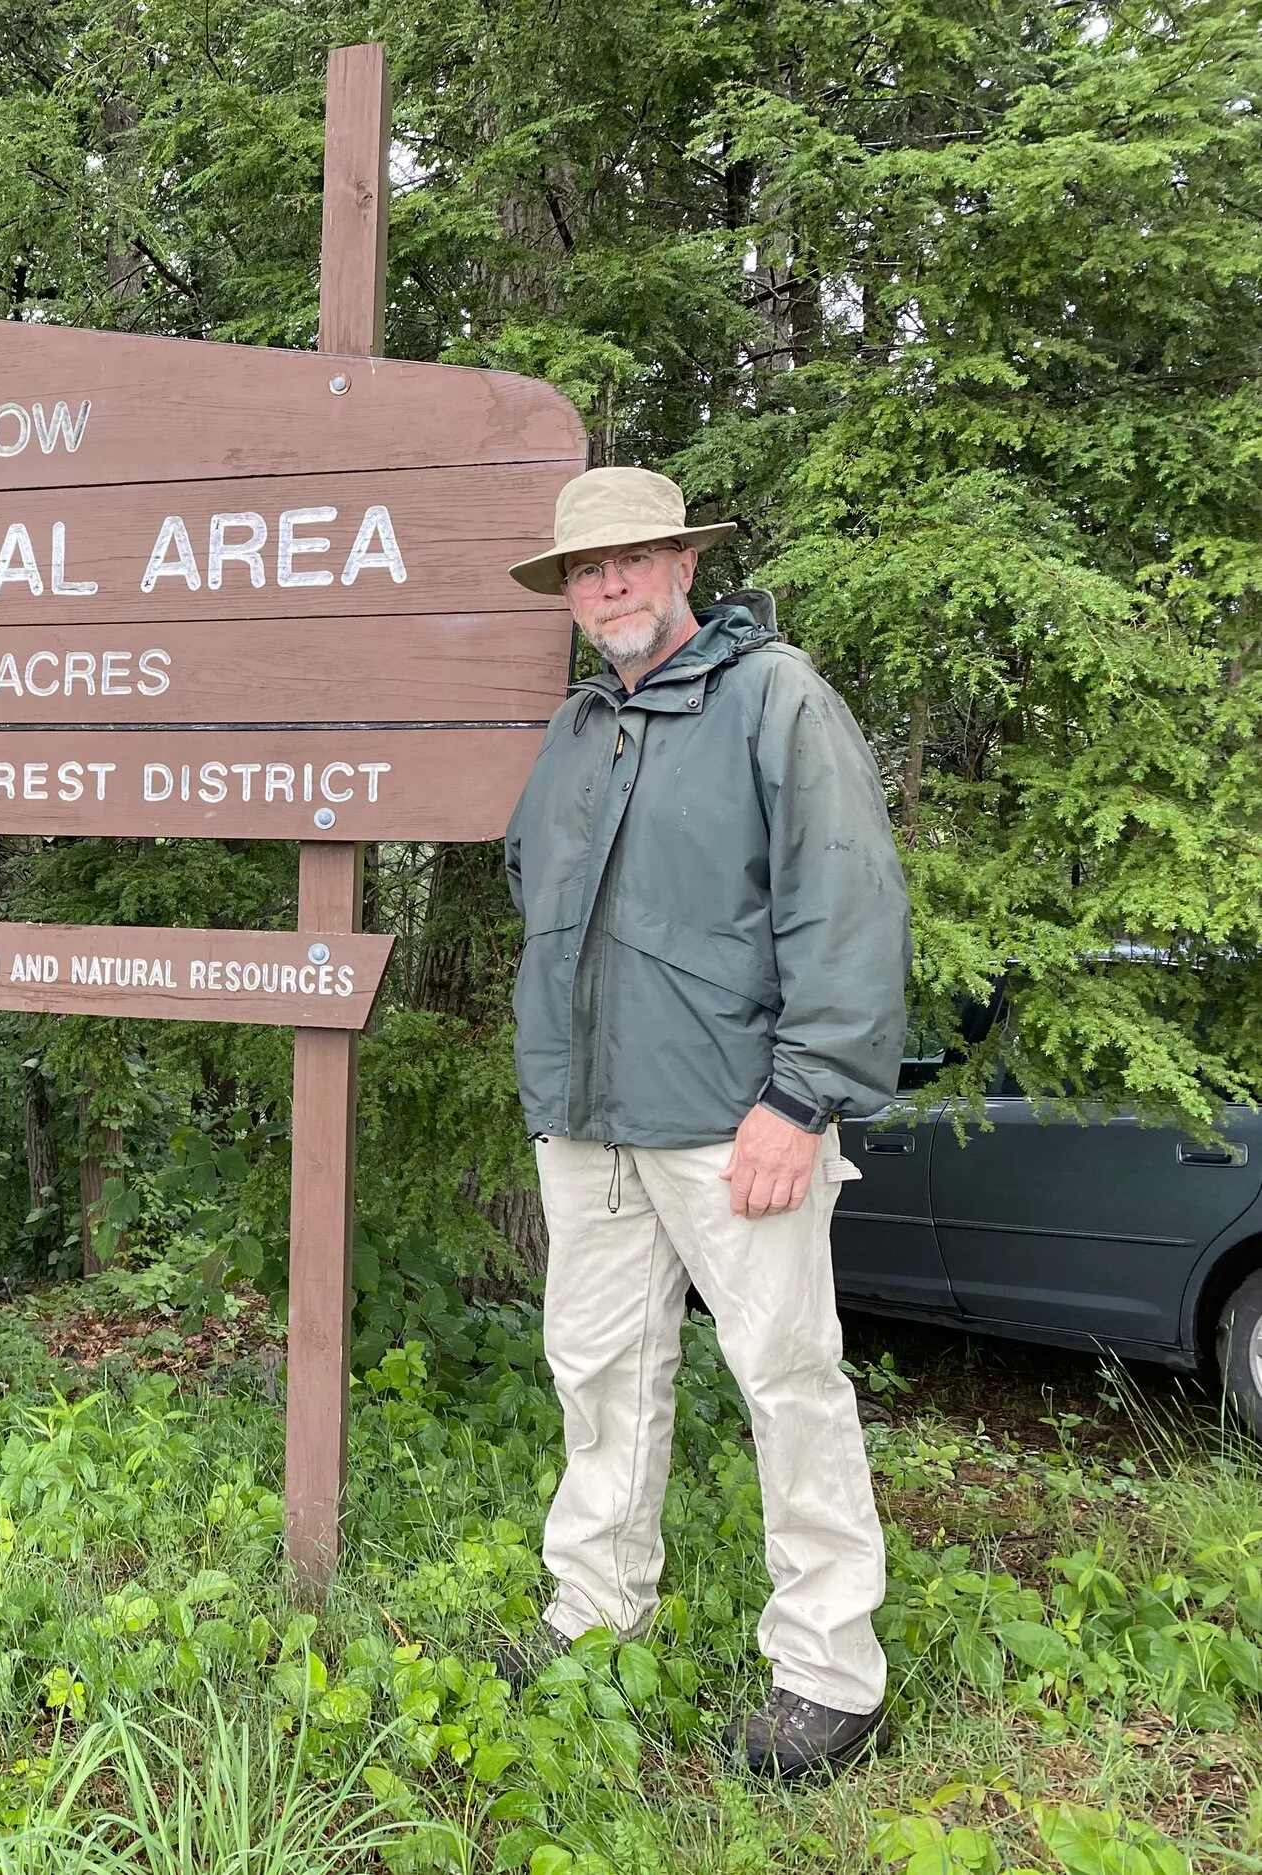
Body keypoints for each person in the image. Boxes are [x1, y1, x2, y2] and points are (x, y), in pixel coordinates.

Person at [497, 468, 910, 1778]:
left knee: (790, 1379)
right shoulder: (575, 728)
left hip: (738, 1123)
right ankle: (596, 1614)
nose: (606, 583)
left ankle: (831, 1671)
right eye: (583, 568)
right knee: (599, 1374)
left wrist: (800, 1095)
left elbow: (846, 902)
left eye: (629, 558)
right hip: (588, 1119)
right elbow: (533, 883)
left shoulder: (776, 699)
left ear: (682, 562)